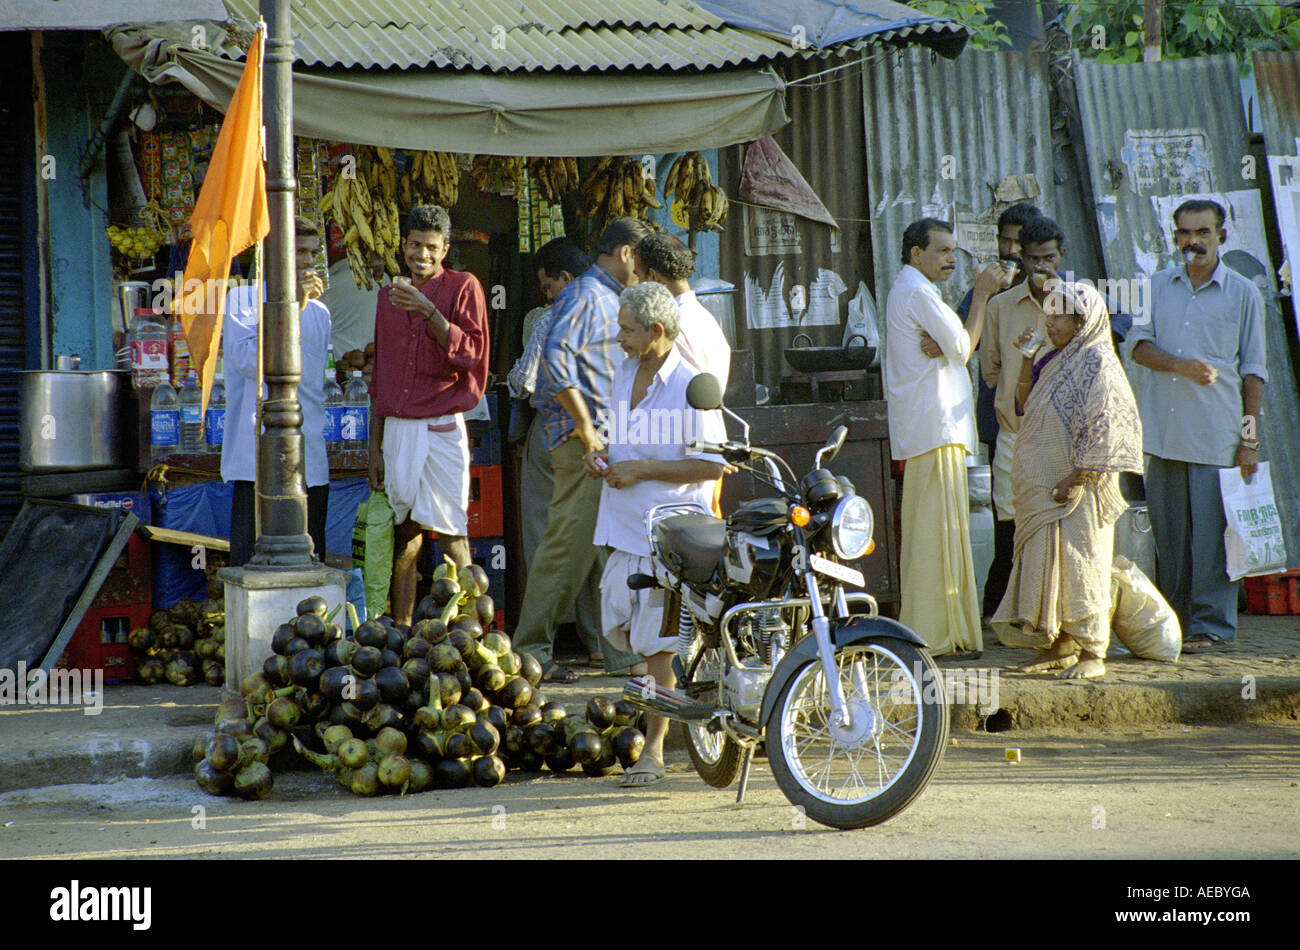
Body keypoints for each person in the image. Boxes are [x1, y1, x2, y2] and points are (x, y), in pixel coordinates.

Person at [585, 281, 727, 787]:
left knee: (657, 647)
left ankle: (656, 752)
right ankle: (668, 722)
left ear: (656, 331)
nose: (619, 337)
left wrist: (641, 469)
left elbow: (712, 466)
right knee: (625, 633)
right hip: (622, 525)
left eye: (626, 329)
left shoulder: (692, 383)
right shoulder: (625, 371)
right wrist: (601, 456)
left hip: (668, 535)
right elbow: (618, 440)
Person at [514, 217, 653, 682]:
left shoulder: (610, 298)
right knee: (567, 545)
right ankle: (531, 648)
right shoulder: (584, 295)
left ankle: (612, 651)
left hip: (605, 438)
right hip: (580, 441)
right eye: (643, 258)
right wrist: (585, 428)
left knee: (603, 548)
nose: (645, 269)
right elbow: (555, 361)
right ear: (627, 253)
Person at [1129, 199, 1268, 648]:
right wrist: (1181, 365)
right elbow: (1137, 348)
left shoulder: (1244, 293)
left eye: (1202, 232)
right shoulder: (1155, 286)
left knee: (1212, 541)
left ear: (1221, 237)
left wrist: (1250, 441)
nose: (1193, 241)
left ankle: (1211, 627)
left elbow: (1254, 372)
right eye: (1185, 233)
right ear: (1175, 238)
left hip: (1217, 435)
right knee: (1170, 542)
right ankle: (1172, 626)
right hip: (1162, 435)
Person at [992, 276, 1144, 678]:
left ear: (1084, 320)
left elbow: (1109, 429)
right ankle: (1060, 646)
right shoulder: (1051, 359)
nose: (1051, 322)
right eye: (1049, 314)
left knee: (1082, 564)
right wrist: (1026, 357)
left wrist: (1077, 477)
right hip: (1046, 487)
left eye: (1061, 315)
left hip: (1080, 489)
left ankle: (1094, 652)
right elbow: (1023, 407)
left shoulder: (1099, 363)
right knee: (1051, 566)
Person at [885, 218, 1010, 658]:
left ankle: (944, 632)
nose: (951, 259)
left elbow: (953, 344)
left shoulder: (916, 292)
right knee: (936, 535)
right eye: (942, 251)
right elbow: (962, 347)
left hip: (932, 431)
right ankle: (933, 633)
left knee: (939, 532)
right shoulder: (917, 292)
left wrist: (955, 336)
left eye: (953, 251)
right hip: (933, 430)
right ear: (916, 254)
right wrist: (980, 294)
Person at [368, 204, 489, 626]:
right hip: (398, 430)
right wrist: (374, 450)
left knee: (455, 535)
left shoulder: (464, 287)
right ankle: (401, 633)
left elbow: (471, 354)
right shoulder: (387, 297)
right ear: (404, 247)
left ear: (445, 250)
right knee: (407, 535)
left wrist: (427, 311)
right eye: (416, 245)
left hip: (441, 428)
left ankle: (476, 632)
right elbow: (380, 378)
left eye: (432, 247)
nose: (423, 254)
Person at [505, 237, 603, 665]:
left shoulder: (555, 316)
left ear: (564, 277)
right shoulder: (614, 307)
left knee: (548, 537)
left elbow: (524, 380)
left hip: (559, 430)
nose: (547, 296)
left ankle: (534, 648)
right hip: (605, 433)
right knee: (597, 538)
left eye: (547, 286)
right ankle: (604, 644)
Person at [947, 202, 1040, 617]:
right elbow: (958, 334)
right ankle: (999, 604)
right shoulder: (990, 290)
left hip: (1044, 425)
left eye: (1017, 242)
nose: (1009, 250)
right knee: (1006, 513)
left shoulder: (1060, 291)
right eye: (1003, 241)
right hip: (1000, 419)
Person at [977, 216, 1071, 617]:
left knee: (1060, 522)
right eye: (1033, 259)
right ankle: (1002, 615)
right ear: (1022, 257)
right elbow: (991, 371)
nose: (1041, 267)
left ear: (1060, 256)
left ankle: (1054, 610)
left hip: (1064, 434)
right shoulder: (999, 305)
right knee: (1010, 526)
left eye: (1049, 257)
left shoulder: (1078, 303)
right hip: (1015, 430)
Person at [223, 217, 330, 566]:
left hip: (309, 457)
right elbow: (250, 363)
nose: (308, 261)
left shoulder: (321, 313)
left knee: (310, 563)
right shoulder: (242, 299)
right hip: (255, 459)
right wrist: (294, 305)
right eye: (299, 251)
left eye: (313, 253)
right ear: (274, 253)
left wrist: (302, 304)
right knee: (252, 562)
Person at [633, 232, 731, 388]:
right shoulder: (703, 318)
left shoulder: (672, 328)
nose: (636, 284)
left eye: (638, 277)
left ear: (653, 276)